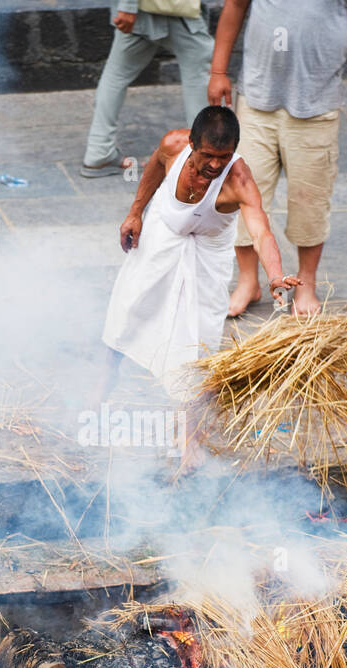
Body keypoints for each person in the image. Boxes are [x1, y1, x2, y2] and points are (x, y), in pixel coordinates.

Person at [96, 106, 300, 465]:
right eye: (207, 155)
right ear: (191, 144)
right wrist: (135, 212)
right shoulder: (172, 145)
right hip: (164, 227)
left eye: (223, 157)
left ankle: (188, 438)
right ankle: (97, 397)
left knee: (198, 341)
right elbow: (155, 168)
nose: (214, 165)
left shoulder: (239, 181)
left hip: (208, 248)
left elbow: (262, 231)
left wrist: (274, 275)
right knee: (127, 311)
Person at [207, 0, 347, 317]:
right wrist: (219, 70)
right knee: (241, 192)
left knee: (310, 199)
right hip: (257, 98)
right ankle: (248, 281)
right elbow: (235, 5)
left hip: (317, 102)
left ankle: (306, 283)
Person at [80, 1, 214, 178]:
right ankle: (204, 154)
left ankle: (99, 151)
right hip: (170, 11)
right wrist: (128, 7)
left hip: (141, 12)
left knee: (116, 76)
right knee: (200, 72)